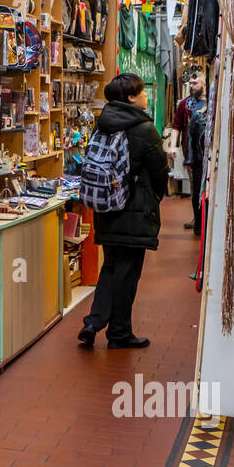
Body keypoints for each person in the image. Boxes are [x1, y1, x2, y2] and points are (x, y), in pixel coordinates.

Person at [78, 73, 169, 350]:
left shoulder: (103, 124)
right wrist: (155, 195)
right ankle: (119, 334)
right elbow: (160, 170)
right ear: (131, 97)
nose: (145, 96)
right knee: (127, 275)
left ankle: (93, 322)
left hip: (106, 209)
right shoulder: (144, 129)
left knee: (110, 267)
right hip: (134, 211)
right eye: (141, 92)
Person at [172, 70, 208, 235]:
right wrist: (173, 146)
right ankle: (198, 219)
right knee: (195, 189)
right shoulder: (185, 104)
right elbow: (176, 126)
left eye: (195, 83)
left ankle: (206, 218)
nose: (192, 86)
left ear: (204, 84)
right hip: (192, 153)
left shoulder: (212, 104)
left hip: (209, 152)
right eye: (190, 84)